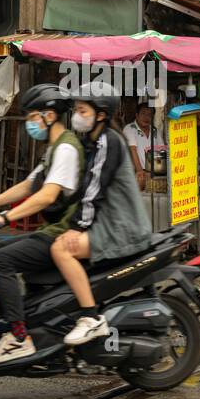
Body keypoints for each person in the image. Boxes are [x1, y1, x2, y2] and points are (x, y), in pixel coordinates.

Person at [0, 84, 84, 364]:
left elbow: (46, 195)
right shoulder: (54, 149)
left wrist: (5, 218)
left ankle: (20, 337)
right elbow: (28, 185)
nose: (29, 124)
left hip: (64, 232)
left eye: (32, 117)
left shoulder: (67, 148)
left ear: (49, 116)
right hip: (55, 230)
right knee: (0, 253)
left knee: (1, 259)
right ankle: (36, 325)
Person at [51, 83, 152, 345]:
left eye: (82, 110)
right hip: (109, 222)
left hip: (120, 227)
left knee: (61, 249)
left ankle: (90, 318)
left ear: (101, 115)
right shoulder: (93, 140)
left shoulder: (109, 141)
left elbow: (94, 189)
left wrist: (77, 226)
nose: (76, 115)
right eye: (76, 110)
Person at [123, 101, 154, 190]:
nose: (146, 117)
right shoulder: (129, 128)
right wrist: (140, 172)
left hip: (153, 172)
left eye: (150, 114)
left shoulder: (154, 130)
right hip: (137, 173)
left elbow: (161, 149)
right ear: (137, 115)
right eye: (143, 113)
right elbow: (132, 150)